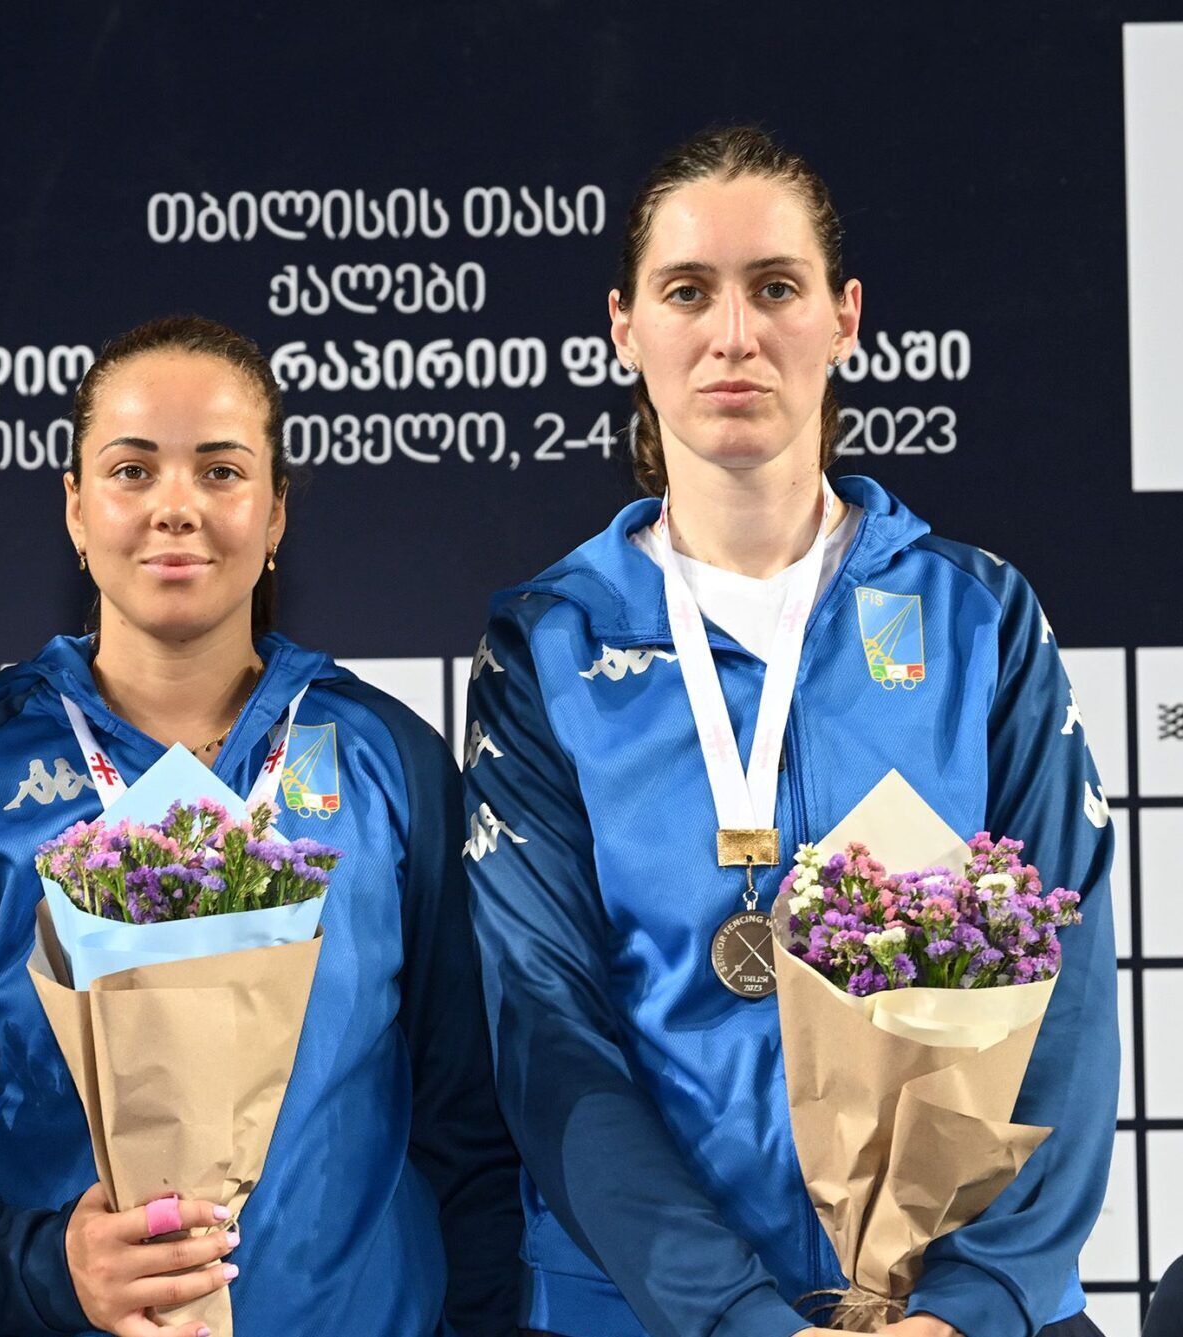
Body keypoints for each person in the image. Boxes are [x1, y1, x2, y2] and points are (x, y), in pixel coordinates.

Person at [462, 125, 1117, 1337]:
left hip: (948, 1308)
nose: (733, 334)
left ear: (843, 316)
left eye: (774, 287)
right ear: (624, 327)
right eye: (687, 291)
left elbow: (1067, 987)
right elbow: (548, 1034)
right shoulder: (547, 648)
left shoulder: (974, 615)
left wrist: (970, 1305)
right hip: (645, 1314)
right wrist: (738, 1319)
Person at [0, 314, 524, 1337]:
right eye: (131, 471)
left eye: (220, 471)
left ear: (276, 512)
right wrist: (45, 1267)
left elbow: (473, 1133)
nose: (177, 506)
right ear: (75, 510)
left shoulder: (391, 764)